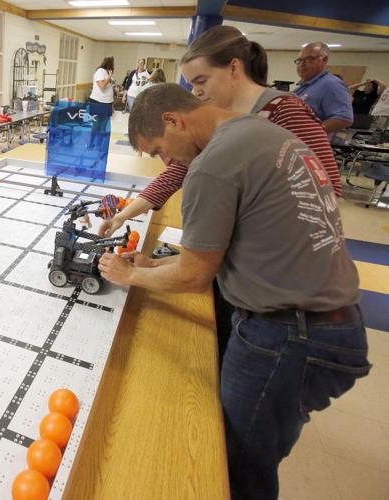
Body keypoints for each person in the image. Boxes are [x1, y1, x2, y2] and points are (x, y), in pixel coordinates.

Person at [101, 83, 370, 500]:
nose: (165, 162)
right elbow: (218, 255)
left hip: (289, 336)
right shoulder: (261, 133)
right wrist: (153, 263)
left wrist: (129, 276)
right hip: (333, 323)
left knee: (236, 467)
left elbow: (193, 278)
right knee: (253, 455)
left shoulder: (213, 164)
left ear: (173, 120)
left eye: (157, 150)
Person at [101, 26, 342, 239]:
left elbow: (328, 186)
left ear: (234, 67)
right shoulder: (218, 115)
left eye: (202, 81)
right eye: (193, 85)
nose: (197, 93)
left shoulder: (285, 109)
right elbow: (180, 169)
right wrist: (124, 215)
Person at [293, 42, 353, 134]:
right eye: (299, 60)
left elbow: (344, 118)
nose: (302, 64)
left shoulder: (331, 84)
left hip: (309, 145)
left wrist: (308, 134)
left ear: (324, 60)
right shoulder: (302, 86)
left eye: (309, 59)